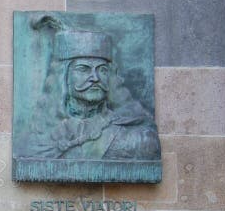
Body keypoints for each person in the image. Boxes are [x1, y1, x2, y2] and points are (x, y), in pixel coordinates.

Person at [26, 28, 160, 161]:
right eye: (83, 69)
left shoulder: (138, 140)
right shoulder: (36, 141)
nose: (95, 78)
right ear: (64, 76)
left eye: (102, 70)